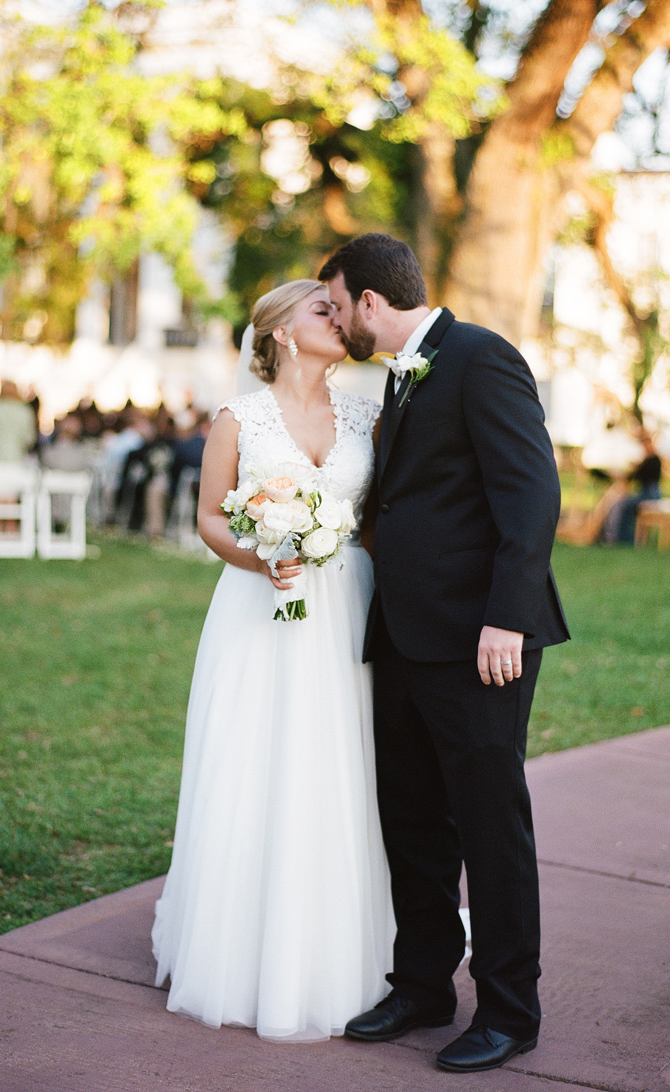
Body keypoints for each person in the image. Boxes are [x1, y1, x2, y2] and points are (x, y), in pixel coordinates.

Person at [321, 233, 568, 1073]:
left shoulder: (480, 357)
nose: (338, 319)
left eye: (337, 301)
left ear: (368, 302)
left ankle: (509, 1011)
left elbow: (531, 495)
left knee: (490, 826)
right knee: (415, 821)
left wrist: (507, 617)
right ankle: (423, 984)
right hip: (400, 636)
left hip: (479, 643)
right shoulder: (398, 375)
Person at [151, 278, 392, 1042]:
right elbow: (210, 519)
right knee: (256, 761)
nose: (340, 315)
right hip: (261, 607)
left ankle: (341, 946)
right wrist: (262, 559)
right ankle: (244, 951)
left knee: (342, 764)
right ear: (281, 330)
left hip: (346, 604)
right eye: (323, 308)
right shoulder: (240, 419)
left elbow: (381, 513)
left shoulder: (367, 412)